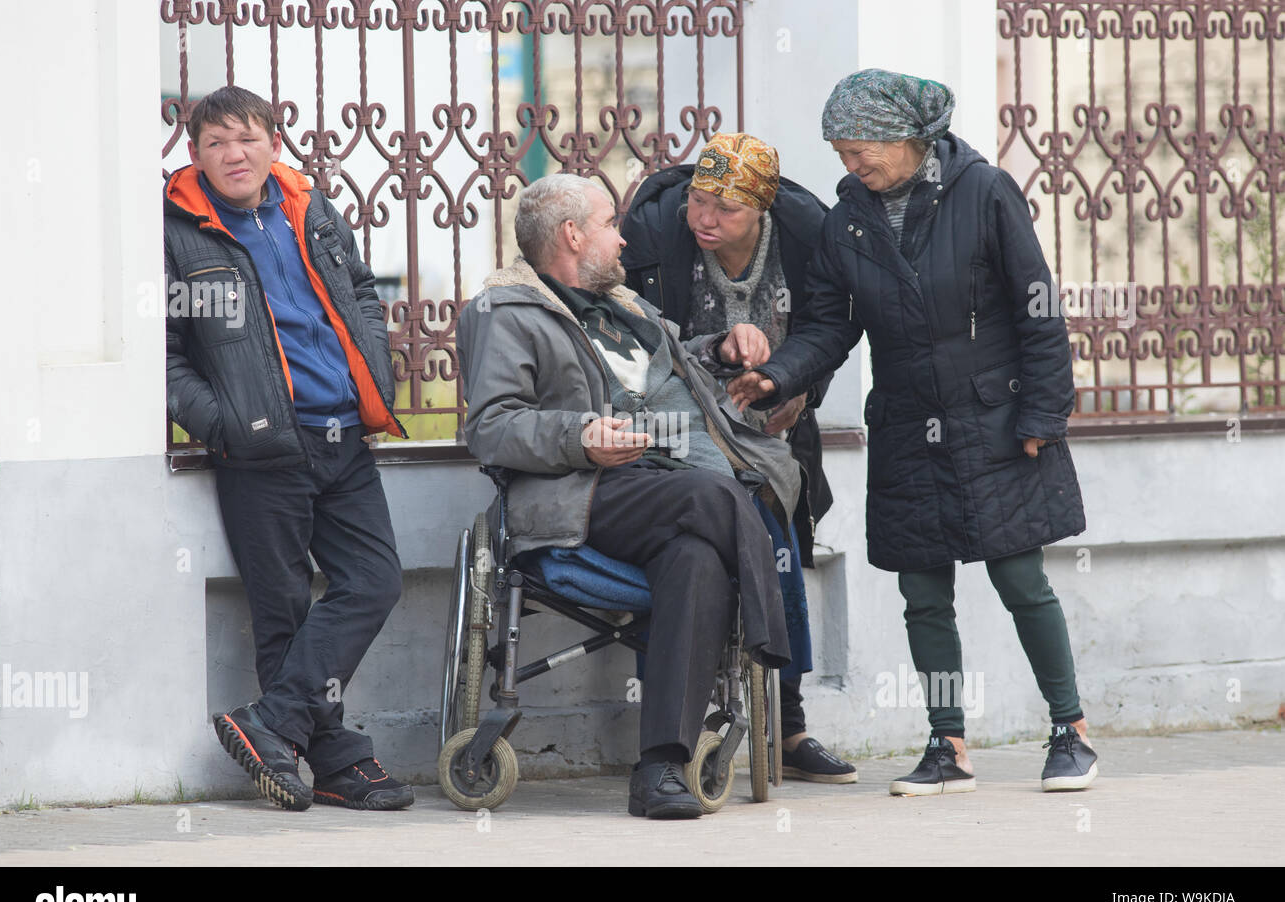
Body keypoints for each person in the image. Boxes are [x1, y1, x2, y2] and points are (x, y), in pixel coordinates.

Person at [730, 69, 1098, 795]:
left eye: (860, 149)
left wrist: (1044, 415)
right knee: (923, 593)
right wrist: (780, 376)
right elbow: (829, 325)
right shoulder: (849, 220)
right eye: (840, 152)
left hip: (996, 419)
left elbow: (1039, 308)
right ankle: (946, 746)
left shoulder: (985, 193)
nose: (850, 164)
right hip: (906, 426)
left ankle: (1070, 732)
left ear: (907, 138)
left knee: (1021, 580)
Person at [456, 173, 799, 819]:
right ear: (572, 234)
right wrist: (580, 436)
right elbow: (492, 426)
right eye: (612, 222)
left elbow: (666, 369)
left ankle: (660, 771)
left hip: (668, 490)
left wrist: (720, 350)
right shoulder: (504, 314)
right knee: (723, 498)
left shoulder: (630, 310)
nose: (626, 236)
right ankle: (768, 633)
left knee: (698, 559)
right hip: (581, 494)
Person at [164, 86, 413, 811]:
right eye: (215, 144)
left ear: (274, 141)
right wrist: (228, 423)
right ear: (196, 155)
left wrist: (376, 371)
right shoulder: (178, 231)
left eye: (245, 138)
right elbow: (163, 353)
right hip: (262, 450)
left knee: (374, 581)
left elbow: (361, 293)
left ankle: (273, 723)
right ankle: (336, 760)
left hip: (344, 434)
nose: (233, 154)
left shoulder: (313, 209)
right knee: (283, 612)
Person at [620, 133, 857, 784]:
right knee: (685, 559)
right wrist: (715, 354)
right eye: (698, 200)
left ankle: (789, 726)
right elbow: (634, 338)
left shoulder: (806, 237)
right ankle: (672, 731)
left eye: (725, 209)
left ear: (761, 210)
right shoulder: (654, 233)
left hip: (774, 424)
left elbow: (830, 328)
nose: (704, 218)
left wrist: (793, 386)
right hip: (678, 427)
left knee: (781, 552)